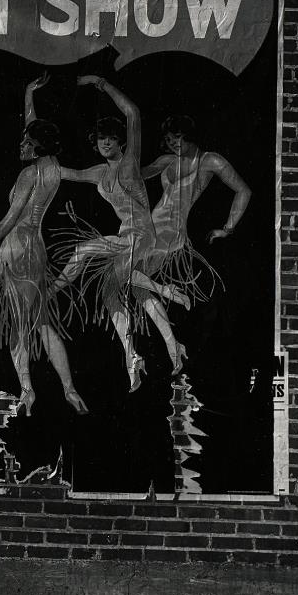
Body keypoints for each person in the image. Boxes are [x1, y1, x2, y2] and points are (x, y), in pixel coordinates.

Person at [51, 76, 189, 388]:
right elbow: (61, 172)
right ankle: (155, 350)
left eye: (111, 138)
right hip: (126, 236)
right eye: (101, 138)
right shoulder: (99, 172)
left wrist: (103, 84)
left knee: (92, 258)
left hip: (141, 235)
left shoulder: (129, 164)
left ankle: (164, 291)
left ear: (120, 142)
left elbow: (133, 115)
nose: (106, 142)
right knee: (115, 292)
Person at [0, 76, 85, 417]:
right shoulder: (54, 169)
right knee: (42, 321)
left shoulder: (28, 175)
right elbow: (35, 127)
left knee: (20, 325)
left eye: (25, 142)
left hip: (16, 248)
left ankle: (27, 390)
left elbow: (10, 216)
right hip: (38, 249)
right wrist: (28, 93)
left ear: (36, 147)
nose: (20, 144)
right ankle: (68, 387)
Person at [142, 115, 251, 307]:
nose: (173, 142)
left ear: (188, 135)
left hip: (170, 233)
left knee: (130, 277)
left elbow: (244, 191)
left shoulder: (210, 160)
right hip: (149, 227)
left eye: (177, 136)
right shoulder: (166, 161)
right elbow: (135, 177)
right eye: (168, 139)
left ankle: (169, 293)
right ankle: (168, 305)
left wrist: (227, 229)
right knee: (132, 283)